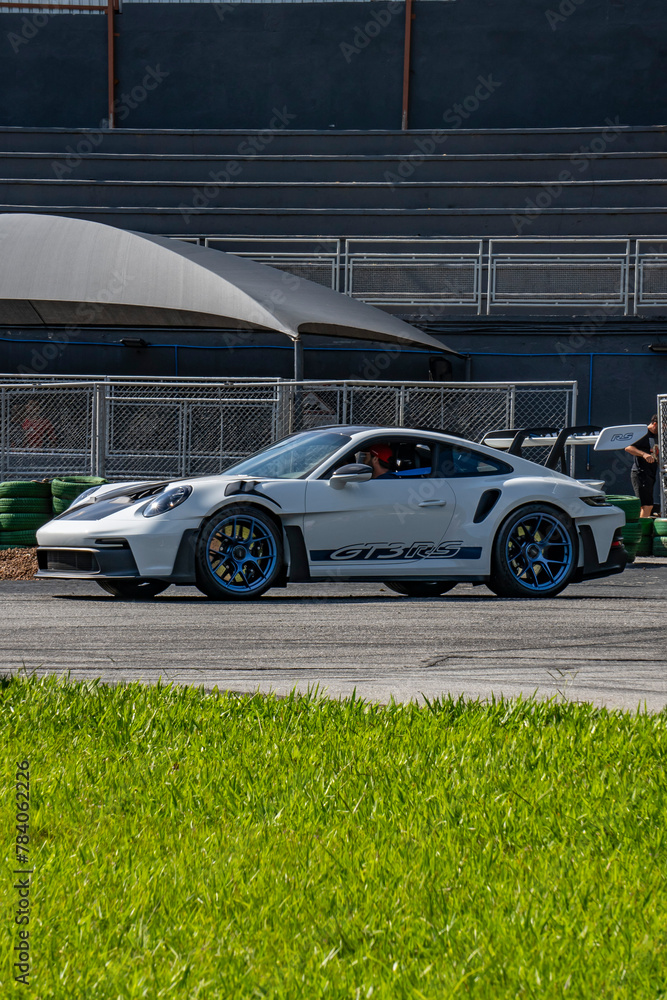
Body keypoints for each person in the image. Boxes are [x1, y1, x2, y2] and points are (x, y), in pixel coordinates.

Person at [625, 414, 659, 518]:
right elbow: (628, 447)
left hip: (650, 473)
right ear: (654, 424)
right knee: (646, 506)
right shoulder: (643, 433)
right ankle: (642, 532)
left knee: (647, 505)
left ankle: (642, 528)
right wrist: (644, 454)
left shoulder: (658, 436)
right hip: (641, 473)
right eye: (664, 425)